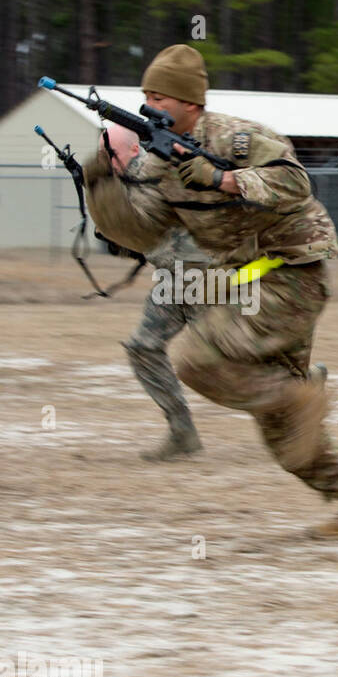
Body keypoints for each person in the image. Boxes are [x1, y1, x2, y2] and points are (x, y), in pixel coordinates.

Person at [83, 44, 338, 537]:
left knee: (196, 357)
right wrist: (103, 185)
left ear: (191, 104)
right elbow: (142, 235)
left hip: (292, 271)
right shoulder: (158, 167)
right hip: (244, 282)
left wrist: (223, 179)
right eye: (145, 94)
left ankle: (296, 397)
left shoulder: (237, 138)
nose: (149, 103)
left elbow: (295, 184)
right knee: (283, 435)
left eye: (160, 94)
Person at [102, 123, 207, 461]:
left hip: (201, 275)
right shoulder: (122, 183)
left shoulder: (154, 172)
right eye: (104, 155)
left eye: (112, 153)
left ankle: (302, 384)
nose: (107, 160)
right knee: (143, 347)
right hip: (171, 279)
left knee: (227, 360)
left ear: (135, 150)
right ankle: (182, 433)